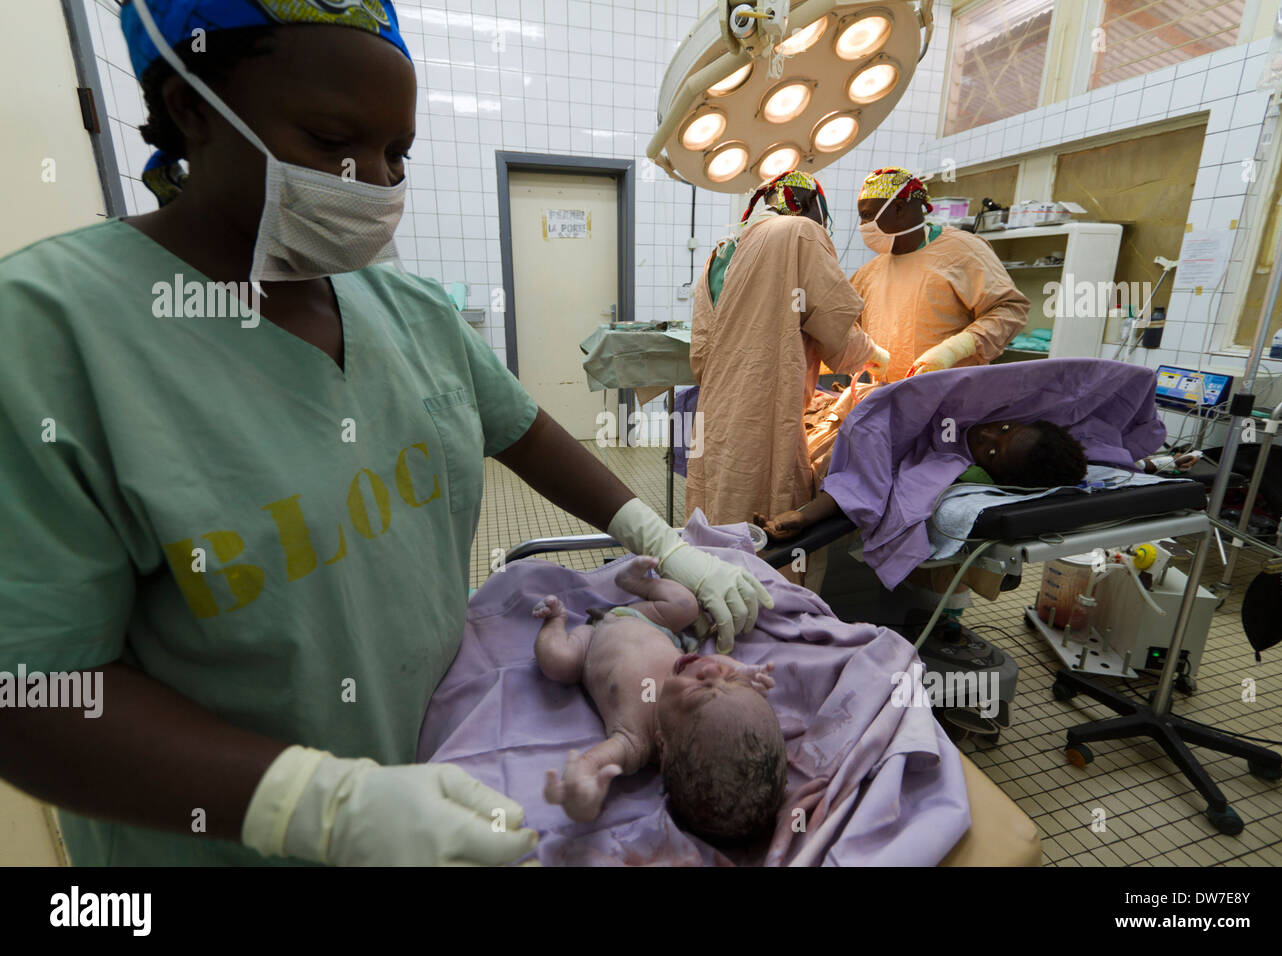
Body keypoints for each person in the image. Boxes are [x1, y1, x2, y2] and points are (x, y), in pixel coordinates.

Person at [0, 0, 771, 867]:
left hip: (449, 755)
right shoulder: (46, 337)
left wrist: (663, 542)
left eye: (395, 153)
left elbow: (522, 430)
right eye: (332, 141)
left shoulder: (403, 309)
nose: (370, 179)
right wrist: (320, 806)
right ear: (192, 107)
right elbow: (34, 692)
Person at [687, 170, 888, 580]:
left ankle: (715, 597)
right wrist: (878, 356)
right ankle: (774, 621)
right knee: (767, 513)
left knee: (720, 512)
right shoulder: (800, 232)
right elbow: (834, 331)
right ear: (811, 204)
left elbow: (702, 350)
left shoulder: (726, 248)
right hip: (763, 414)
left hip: (717, 411)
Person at [533, 556, 785, 843]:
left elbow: (590, 765)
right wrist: (743, 672)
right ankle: (634, 582)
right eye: (731, 680)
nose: (711, 668)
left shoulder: (634, 741)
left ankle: (556, 619)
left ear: (663, 746)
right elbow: (716, 663)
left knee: (556, 662)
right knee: (686, 605)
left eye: (700, 688)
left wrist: (581, 792)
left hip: (588, 645)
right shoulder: (699, 673)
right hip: (649, 620)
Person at [756, 419, 1088, 541]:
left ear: (996, 476)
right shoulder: (987, 405)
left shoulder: (948, 466)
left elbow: (876, 477)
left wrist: (804, 514)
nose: (984, 434)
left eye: (990, 452)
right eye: (1003, 429)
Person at [852, 167, 1030, 382]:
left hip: (950, 394)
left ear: (899, 208)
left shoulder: (962, 251)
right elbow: (843, 324)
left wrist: (954, 350)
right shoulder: (870, 272)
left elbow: (1010, 311)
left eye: (868, 216)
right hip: (887, 394)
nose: (863, 226)